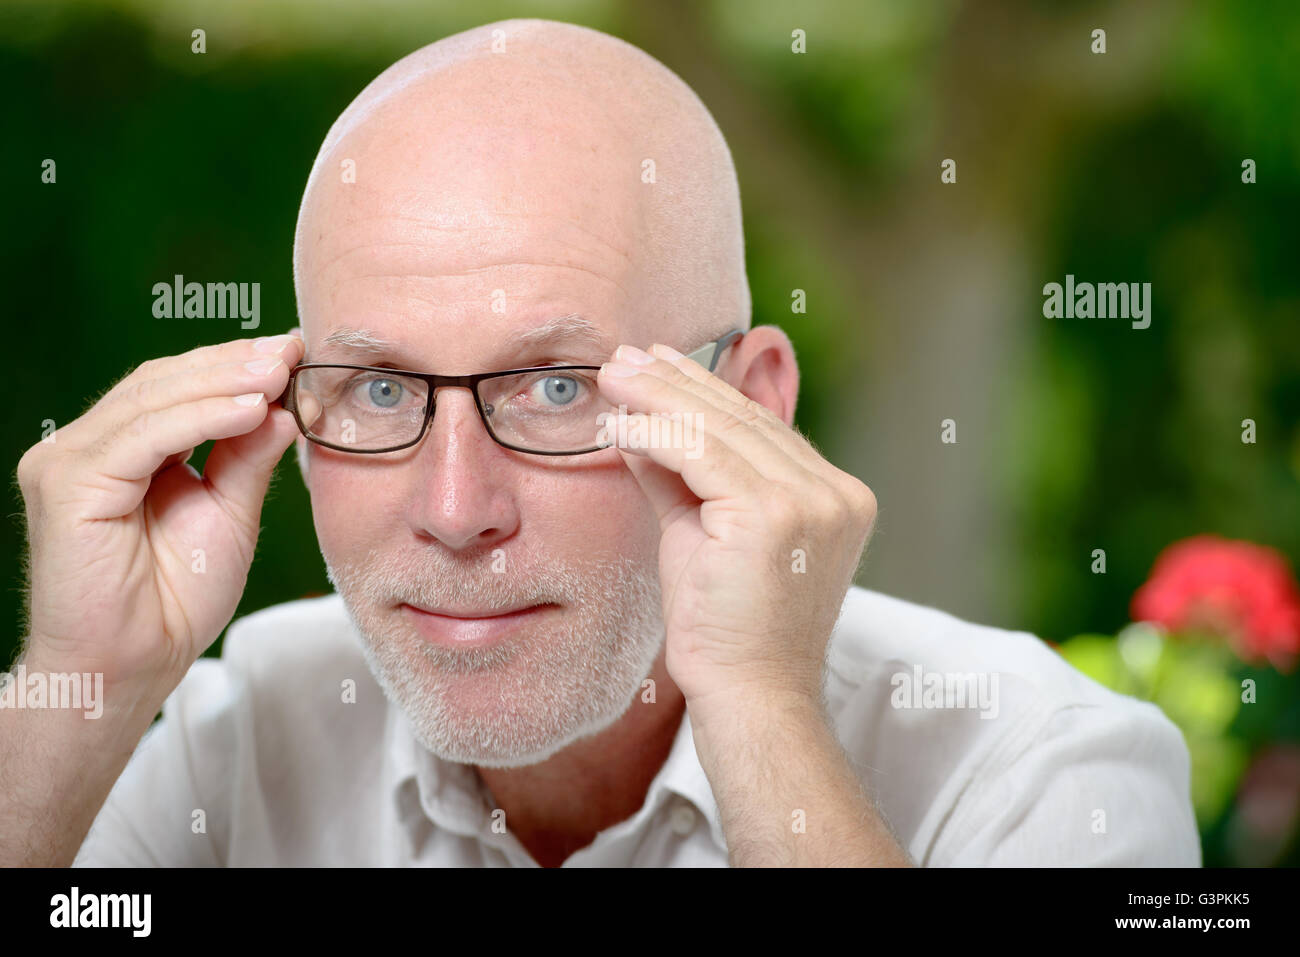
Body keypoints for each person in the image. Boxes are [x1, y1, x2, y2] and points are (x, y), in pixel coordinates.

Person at [2, 18, 1199, 867]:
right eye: (375, 389)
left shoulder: (1044, 773)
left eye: (558, 388)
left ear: (751, 406)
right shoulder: (241, 741)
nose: (456, 506)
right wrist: (80, 691)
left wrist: (761, 706)